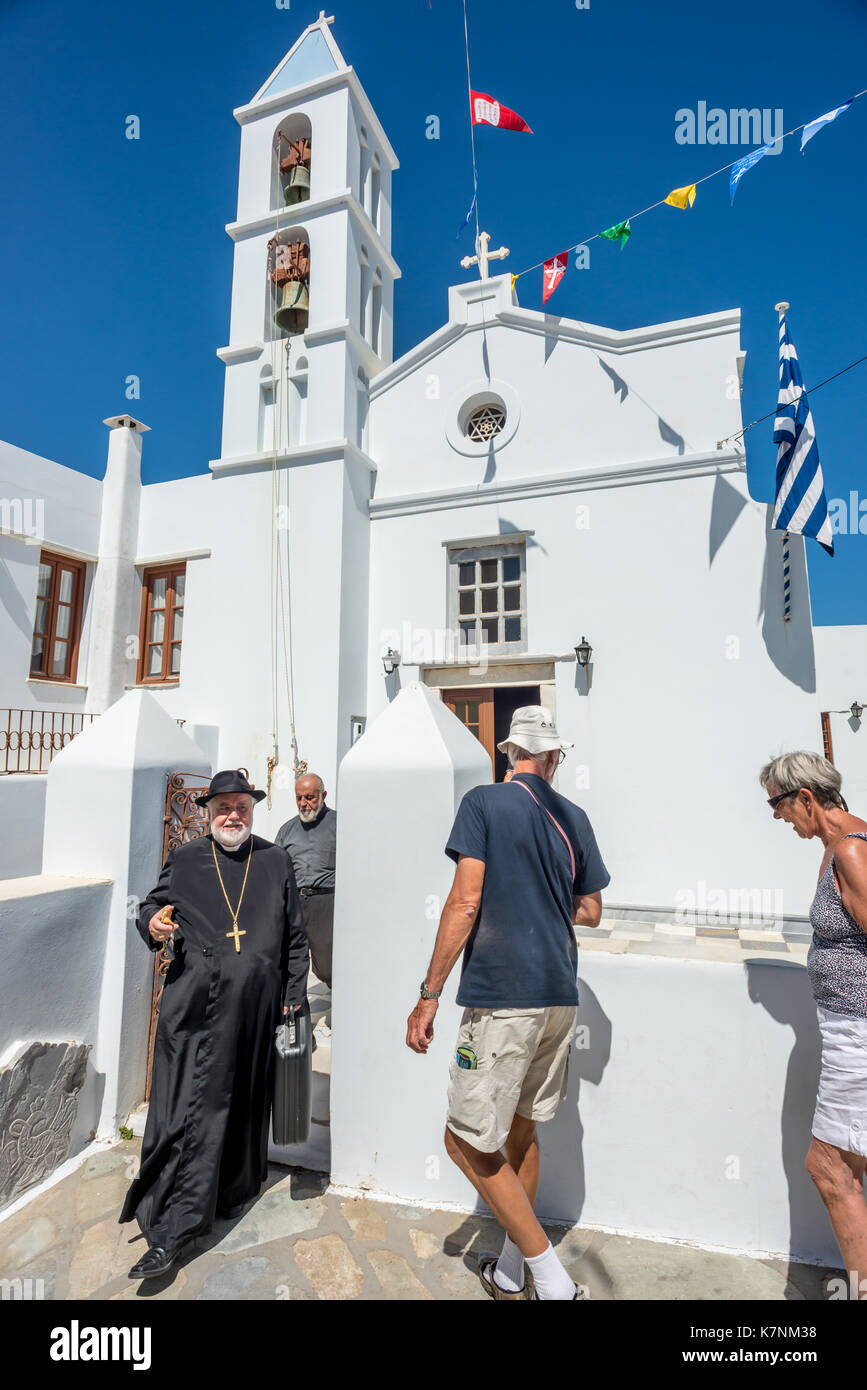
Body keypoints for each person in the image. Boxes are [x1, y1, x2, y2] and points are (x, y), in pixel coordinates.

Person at [406, 706, 610, 1300]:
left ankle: (551, 1281)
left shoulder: (483, 803)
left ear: (509, 753)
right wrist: (543, 905)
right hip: (558, 997)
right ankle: (513, 1273)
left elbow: (465, 904)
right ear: (552, 757)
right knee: (520, 1136)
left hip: (504, 997)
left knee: (464, 1139)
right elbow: (591, 911)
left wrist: (428, 996)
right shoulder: (575, 817)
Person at [120, 770, 309, 1280]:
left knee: (247, 1102)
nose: (233, 815)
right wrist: (155, 923)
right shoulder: (186, 859)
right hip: (198, 1015)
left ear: (253, 811)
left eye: (242, 808)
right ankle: (172, 1230)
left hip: (258, 1010)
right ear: (208, 811)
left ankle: (234, 1191)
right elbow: (155, 907)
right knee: (192, 1112)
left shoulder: (274, 860)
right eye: (224, 807)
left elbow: (294, 935)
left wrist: (292, 997)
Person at [760, 750, 867, 1285]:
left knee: (827, 1169)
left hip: (859, 1036)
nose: (777, 817)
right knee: (849, 1168)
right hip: (848, 1031)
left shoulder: (849, 850)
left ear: (805, 797)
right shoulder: (837, 847)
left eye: (777, 804)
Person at [275, 773, 336, 991]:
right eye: (299, 798)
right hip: (295, 902)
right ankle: (296, 1011)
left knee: (327, 966)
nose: (303, 803)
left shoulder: (341, 824)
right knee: (291, 959)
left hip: (326, 901)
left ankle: (342, 1004)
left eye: (309, 797)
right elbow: (276, 870)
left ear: (323, 795)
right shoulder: (286, 830)